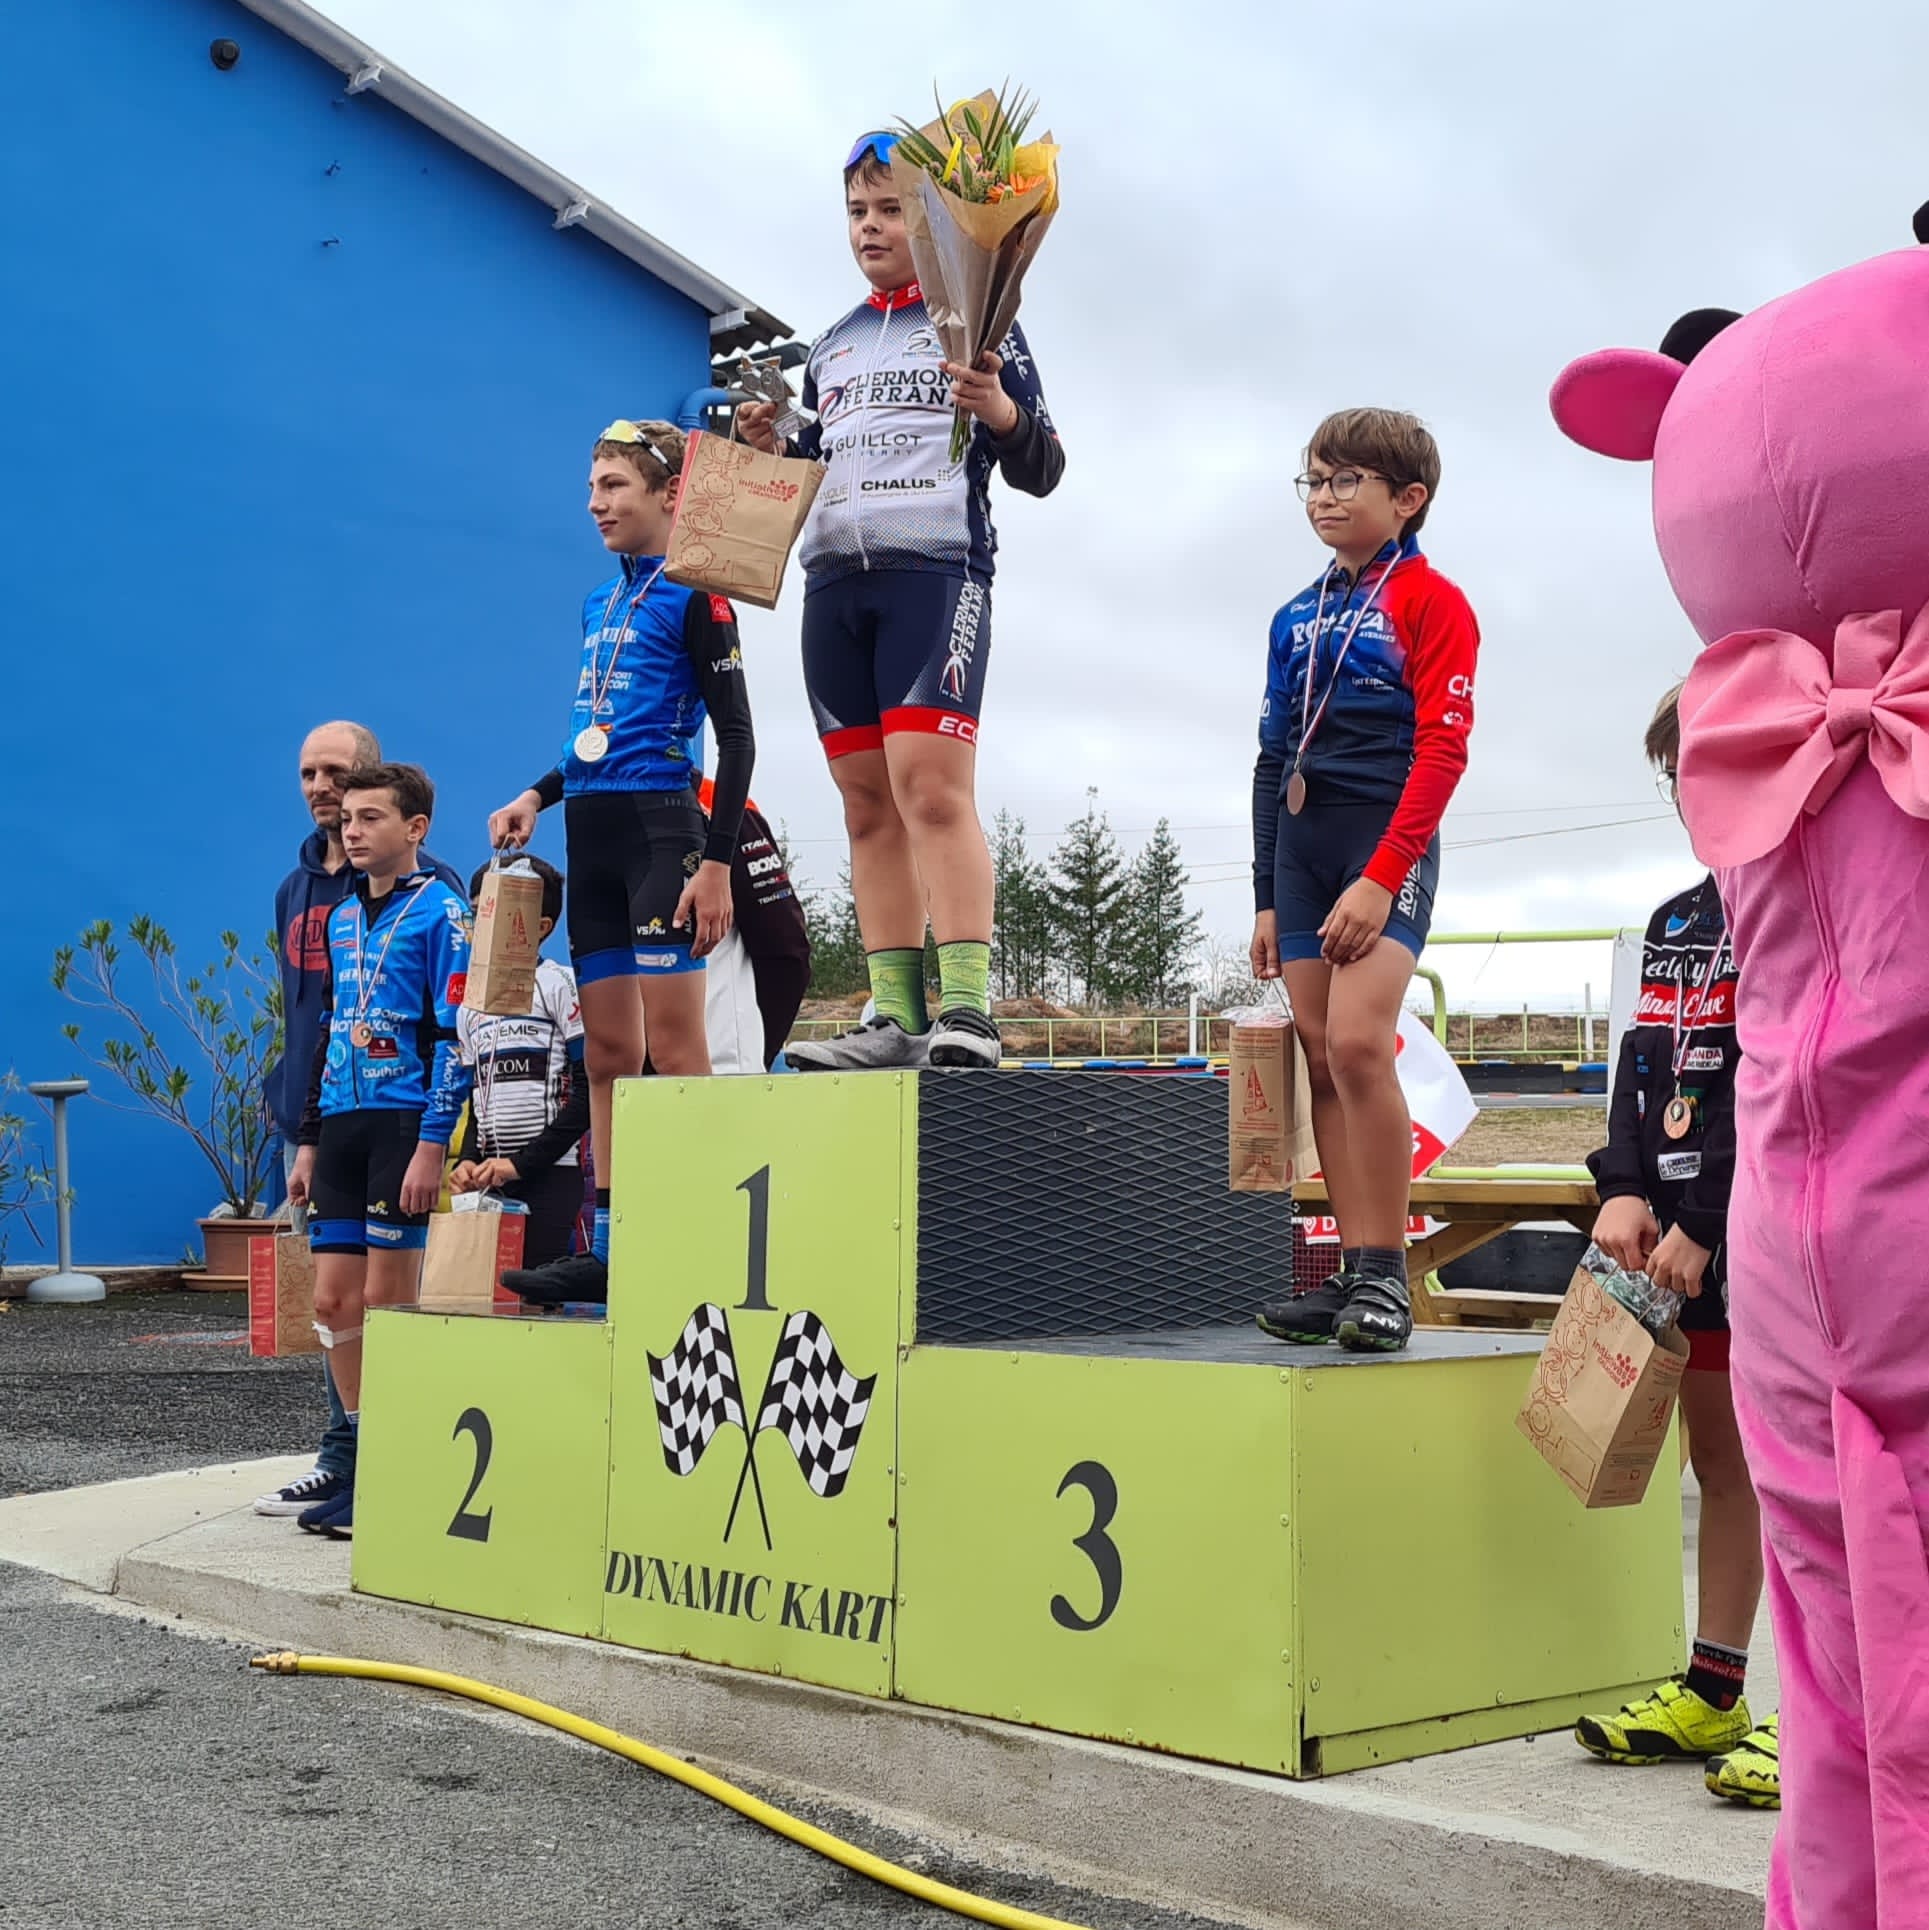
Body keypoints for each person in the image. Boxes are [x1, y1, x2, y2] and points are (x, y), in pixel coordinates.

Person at [737, 128, 1063, 1073]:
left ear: (935, 221)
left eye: (891, 210)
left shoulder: (978, 322)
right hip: (833, 583)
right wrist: (769, 445)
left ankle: (966, 1010)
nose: (871, 228)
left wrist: (996, 407)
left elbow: (1042, 463)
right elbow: (802, 479)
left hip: (936, 576)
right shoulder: (832, 345)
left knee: (928, 789)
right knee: (862, 803)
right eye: (857, 212)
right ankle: (892, 1018)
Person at [488, 418, 754, 1304]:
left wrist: (715, 864)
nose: (596, 504)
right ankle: (610, 1243)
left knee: (676, 1049)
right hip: (589, 831)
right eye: (592, 488)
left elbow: (738, 737)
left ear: (664, 496)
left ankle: (709, 1232)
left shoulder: (697, 595)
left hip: (662, 834)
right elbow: (591, 739)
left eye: (615, 488)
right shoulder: (595, 604)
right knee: (607, 1053)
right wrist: (534, 794)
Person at [1571, 685, 1779, 1806]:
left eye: (1714, 764)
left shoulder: (1802, 896)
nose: (1695, 792)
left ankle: (1835, 1715)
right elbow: (1640, 1069)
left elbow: (1793, 1074)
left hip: (1772, 1231)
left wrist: (1707, 1217)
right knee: (1725, 1465)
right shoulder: (1678, 920)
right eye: (1678, 773)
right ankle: (1717, 1687)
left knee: (1820, 1480)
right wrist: (1627, 1190)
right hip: (1677, 1252)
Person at [1248, 409, 1479, 1353]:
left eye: (1346, 481)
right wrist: (1265, 893)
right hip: (1301, 853)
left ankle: (1386, 1274)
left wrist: (1383, 877)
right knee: (1315, 1050)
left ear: (1406, 498)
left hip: (1387, 838)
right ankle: (1349, 1269)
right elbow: (1270, 759)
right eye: (1312, 479)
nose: (1324, 498)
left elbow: (1442, 752)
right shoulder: (1292, 614)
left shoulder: (1432, 602)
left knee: (1356, 1044)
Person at [254, 722, 462, 1521]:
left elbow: (456, 1033)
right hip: (337, 1124)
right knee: (334, 1304)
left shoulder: (442, 907)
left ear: (412, 827)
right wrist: (306, 1137)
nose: (350, 825)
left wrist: (433, 1145)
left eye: (366, 814)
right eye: (347, 819)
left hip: (402, 1120)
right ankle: (357, 1458)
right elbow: (324, 1028)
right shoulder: (336, 916)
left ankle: (391, 1470)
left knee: (389, 1301)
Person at [449, 855, 588, 1275]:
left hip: (550, 1173)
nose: (483, 927)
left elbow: (586, 1092)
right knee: (482, 1296)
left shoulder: (559, 983)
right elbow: (479, 1099)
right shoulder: (469, 1004)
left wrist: (521, 1164)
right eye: (478, 914)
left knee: (532, 1296)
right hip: (488, 1178)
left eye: (498, 914)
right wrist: (467, 1160)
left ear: (540, 927)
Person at [698, 776, 811, 1071]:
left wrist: (756, 1049)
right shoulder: (593, 799)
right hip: (629, 1079)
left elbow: (786, 951)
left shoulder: (716, 802)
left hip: (720, 1067)